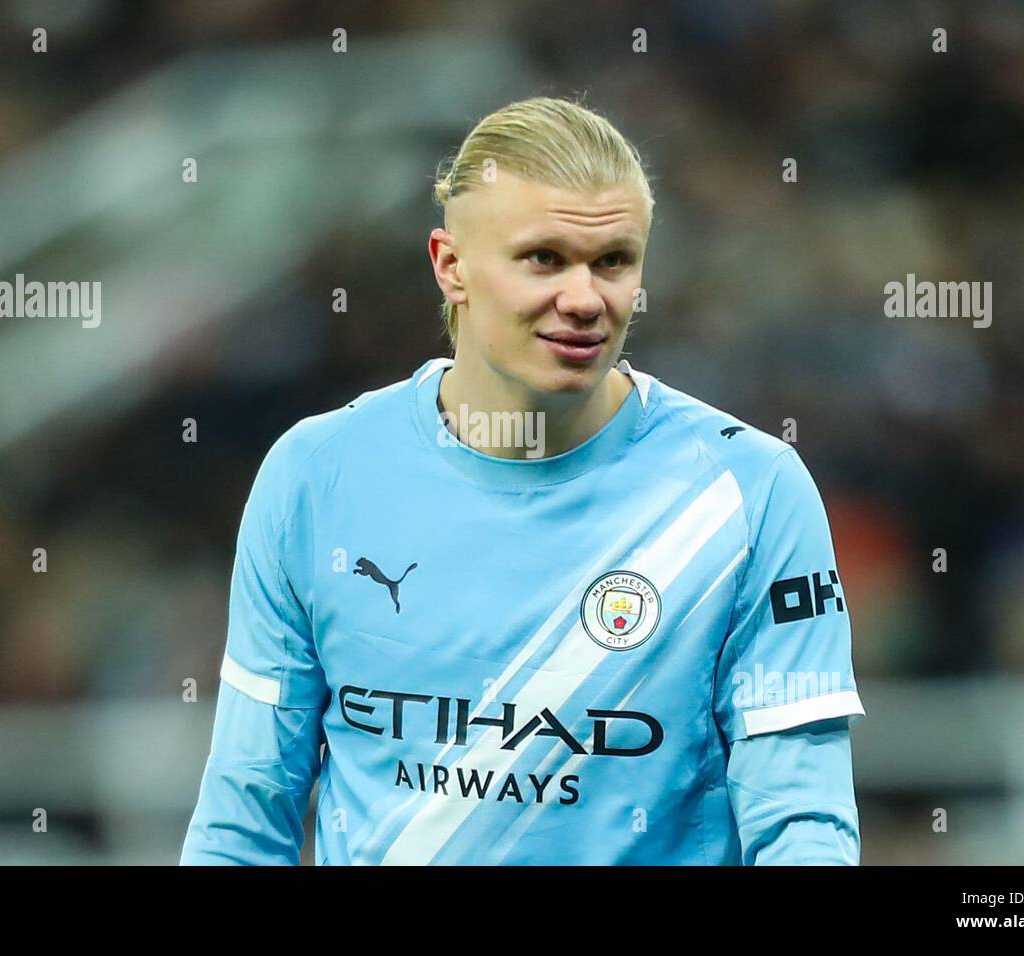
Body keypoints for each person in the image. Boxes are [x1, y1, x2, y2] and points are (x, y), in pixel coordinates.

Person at [181, 96, 865, 865]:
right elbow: (243, 821)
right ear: (450, 266)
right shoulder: (317, 476)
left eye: (614, 261)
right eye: (544, 258)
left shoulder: (748, 493)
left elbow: (802, 828)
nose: (584, 300)